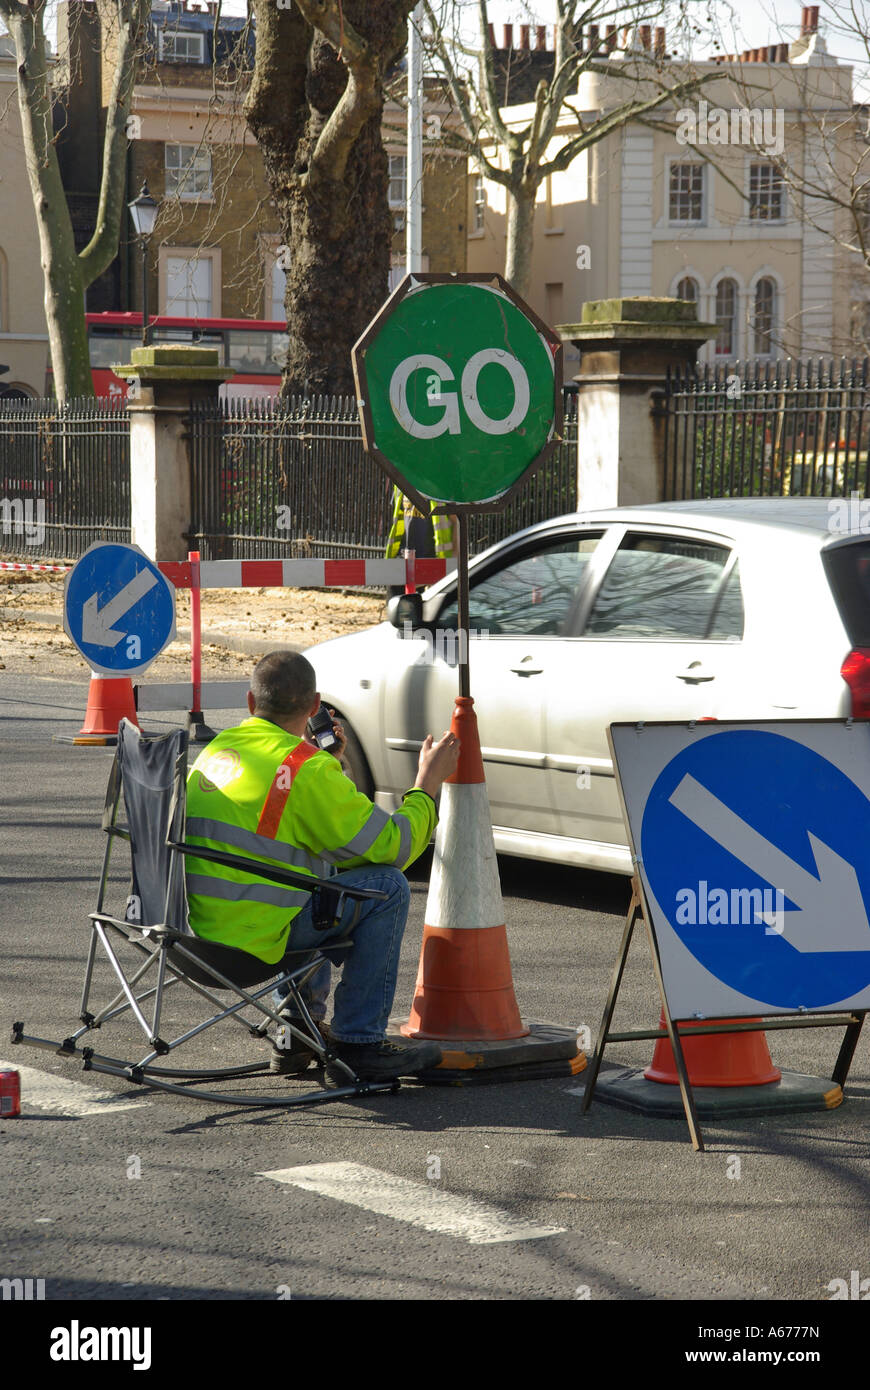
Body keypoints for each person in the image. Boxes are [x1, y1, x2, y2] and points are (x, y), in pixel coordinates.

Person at [184, 649, 460, 1086]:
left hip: (195, 937)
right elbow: (391, 847)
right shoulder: (307, 770)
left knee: (316, 874)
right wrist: (426, 784)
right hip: (256, 944)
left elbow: (288, 808)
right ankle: (359, 1044)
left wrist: (325, 765)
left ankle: (296, 1034)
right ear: (314, 707)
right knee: (386, 887)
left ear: (251, 703)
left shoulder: (218, 748)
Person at [385, 486, 457, 597]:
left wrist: (454, 562)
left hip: (431, 560)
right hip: (404, 557)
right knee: (397, 604)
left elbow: (455, 520)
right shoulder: (400, 481)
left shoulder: (441, 483)